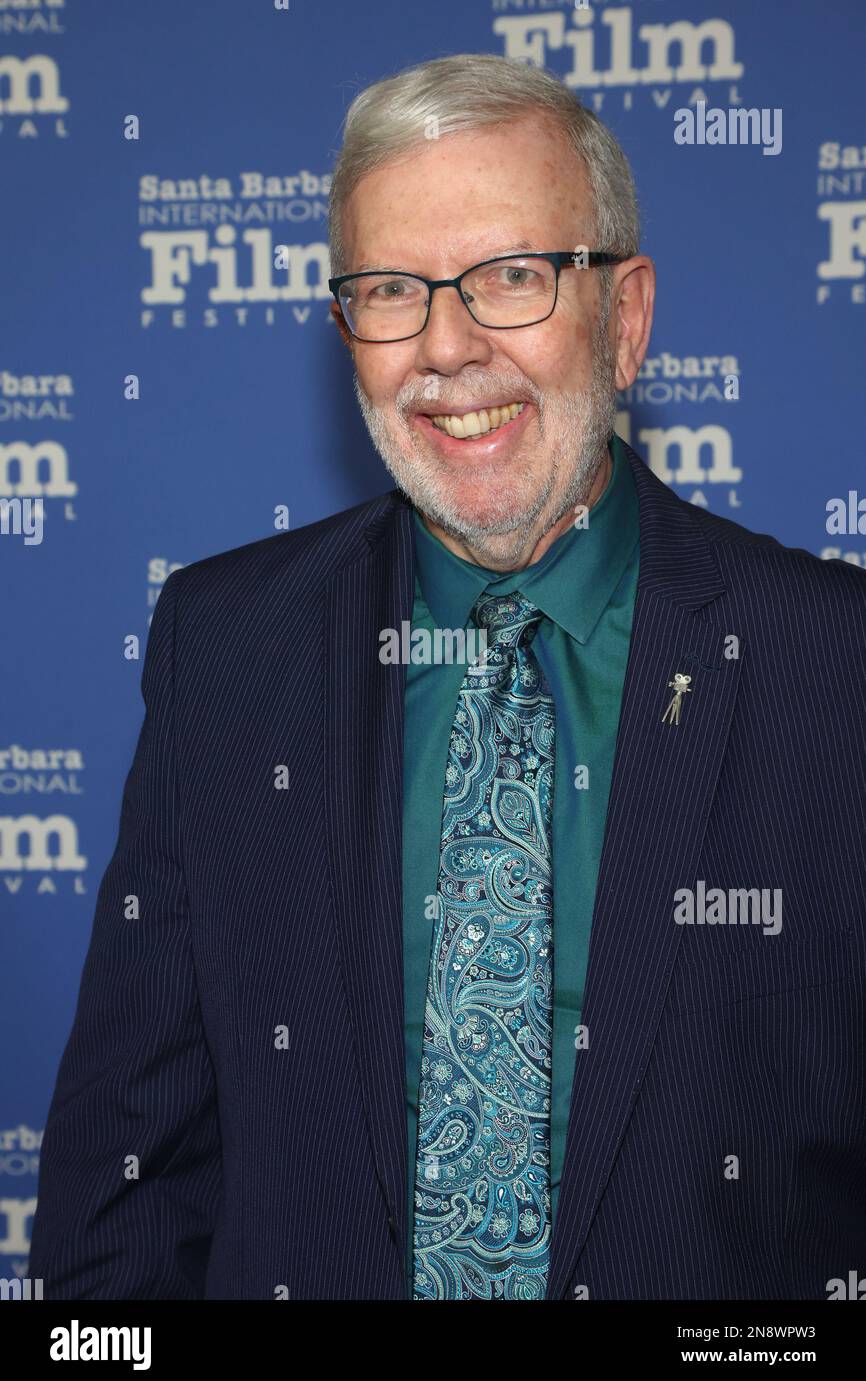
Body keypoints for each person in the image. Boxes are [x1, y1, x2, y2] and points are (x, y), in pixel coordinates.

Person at [29, 52, 866, 1301]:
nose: (446, 347)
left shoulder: (831, 668)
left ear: (623, 319)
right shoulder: (223, 649)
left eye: (512, 278)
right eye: (388, 290)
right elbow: (127, 1182)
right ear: (342, 332)